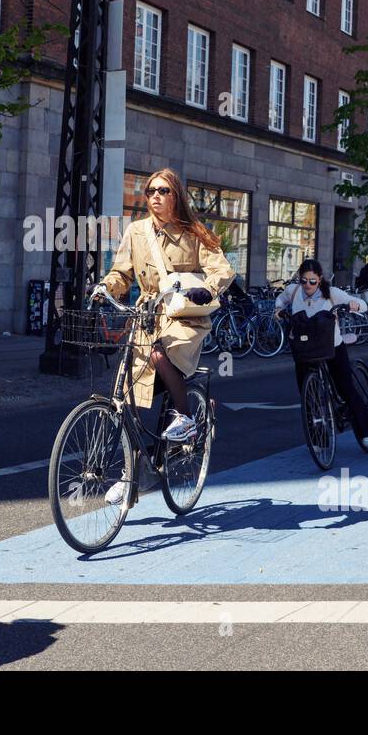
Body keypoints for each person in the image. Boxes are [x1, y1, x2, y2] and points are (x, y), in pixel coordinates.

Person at [95, 168, 234, 504]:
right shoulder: (136, 231)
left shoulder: (194, 232)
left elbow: (222, 270)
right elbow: (121, 272)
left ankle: (185, 417)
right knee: (127, 395)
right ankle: (131, 478)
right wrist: (106, 287)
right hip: (148, 317)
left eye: (163, 190)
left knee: (161, 354)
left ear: (176, 196)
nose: (155, 196)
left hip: (185, 316)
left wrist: (208, 289)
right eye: (150, 191)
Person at [275, 258, 368, 449]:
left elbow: (361, 304)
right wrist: (279, 308)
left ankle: (367, 431)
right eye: (304, 280)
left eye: (312, 281)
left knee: (346, 389)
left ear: (320, 279)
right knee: (308, 397)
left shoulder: (331, 293)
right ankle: (318, 440)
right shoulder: (295, 291)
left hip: (332, 347)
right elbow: (281, 298)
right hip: (304, 349)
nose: (308, 285)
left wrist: (355, 305)